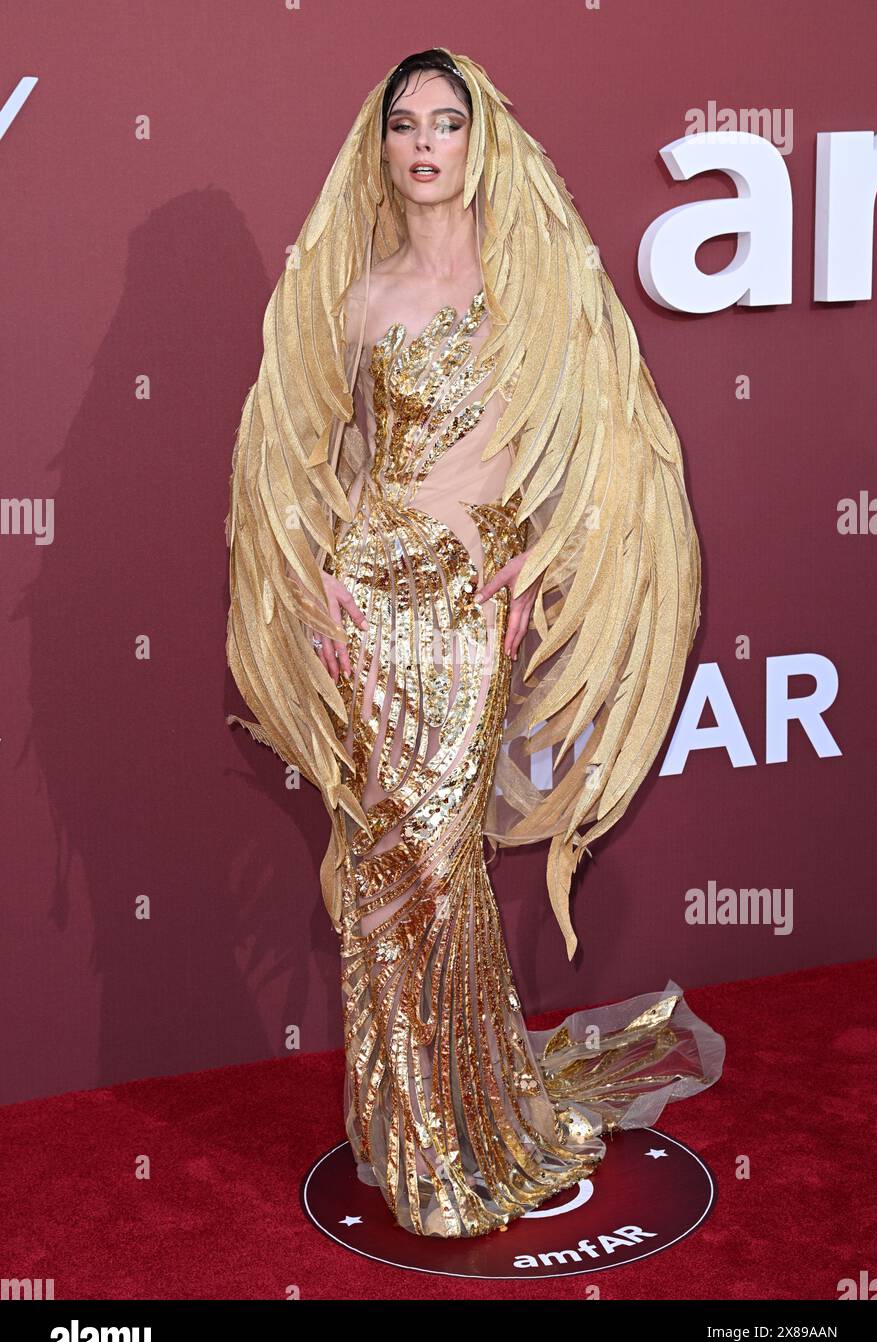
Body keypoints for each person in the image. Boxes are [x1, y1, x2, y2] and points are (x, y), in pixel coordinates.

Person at [225, 48, 725, 1238]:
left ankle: (470, 1120)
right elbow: (330, 466)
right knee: (393, 861)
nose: (427, 144)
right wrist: (317, 595)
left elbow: (586, 441)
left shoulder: (526, 287)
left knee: (442, 861)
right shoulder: (356, 298)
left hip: (464, 608)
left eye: (447, 123)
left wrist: (530, 554)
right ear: (383, 147)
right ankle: (410, 1134)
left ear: (478, 141)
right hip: (375, 601)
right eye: (407, 125)